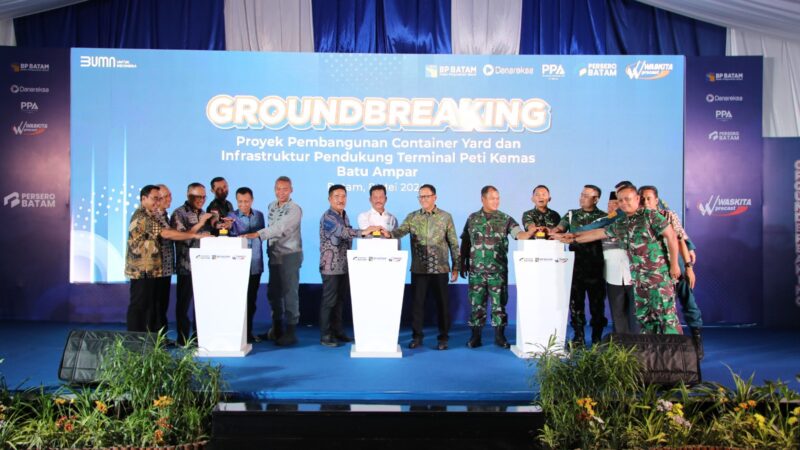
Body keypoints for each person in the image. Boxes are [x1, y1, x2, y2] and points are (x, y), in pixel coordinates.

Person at [559, 184, 682, 334]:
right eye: (620, 200)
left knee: (667, 319)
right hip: (638, 281)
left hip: (658, 279)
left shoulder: (651, 215)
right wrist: (572, 238)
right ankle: (651, 355)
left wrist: (674, 265)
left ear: (637, 198)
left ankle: (675, 356)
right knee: (646, 322)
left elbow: (672, 237)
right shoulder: (621, 223)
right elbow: (598, 233)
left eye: (627, 199)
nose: (624, 203)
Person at [460, 186, 533, 349]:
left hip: (497, 271)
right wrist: (462, 263)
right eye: (492, 198)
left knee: (499, 305)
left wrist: (528, 234)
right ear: (483, 199)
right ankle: (475, 336)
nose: (496, 201)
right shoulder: (472, 218)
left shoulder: (505, 218)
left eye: (498, 198)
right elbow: (466, 241)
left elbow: (518, 234)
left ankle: (500, 337)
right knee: (476, 304)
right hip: (476, 271)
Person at [125, 185, 203, 333]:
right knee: (139, 306)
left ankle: (153, 341)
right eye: (156, 198)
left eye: (159, 198)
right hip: (142, 271)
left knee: (154, 307)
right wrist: (195, 235)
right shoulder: (142, 216)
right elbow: (166, 234)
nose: (158, 201)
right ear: (143, 199)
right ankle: (134, 342)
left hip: (155, 270)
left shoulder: (155, 215)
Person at [390, 184, 459, 350]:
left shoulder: (445, 217)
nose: (423, 199)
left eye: (426, 196)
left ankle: (443, 338)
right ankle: (417, 337)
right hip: (419, 268)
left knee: (442, 305)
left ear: (435, 197)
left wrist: (456, 266)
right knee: (417, 305)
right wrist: (387, 234)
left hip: (440, 268)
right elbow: (400, 231)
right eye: (420, 196)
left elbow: (454, 243)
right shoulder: (413, 217)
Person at [639, 185, 702, 356]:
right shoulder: (636, 218)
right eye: (642, 198)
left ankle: (697, 342)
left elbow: (680, 240)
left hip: (676, 267)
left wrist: (688, 268)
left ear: (656, 200)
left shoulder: (668, 215)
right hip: (655, 272)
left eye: (649, 198)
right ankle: (664, 349)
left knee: (688, 303)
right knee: (660, 310)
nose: (645, 201)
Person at [318, 184, 383, 347]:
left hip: (345, 265)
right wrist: (366, 231)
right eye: (337, 196)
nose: (341, 200)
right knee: (329, 301)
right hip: (330, 267)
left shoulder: (344, 215)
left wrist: (375, 235)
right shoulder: (328, 217)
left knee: (340, 300)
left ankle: (338, 331)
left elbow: (349, 235)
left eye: (343, 196)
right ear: (329, 199)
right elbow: (343, 233)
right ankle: (325, 335)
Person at [245, 176, 303, 346]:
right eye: (278, 188)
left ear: (291, 190)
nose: (281, 192)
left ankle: (291, 332)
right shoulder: (271, 206)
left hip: (290, 255)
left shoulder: (295, 209)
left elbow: (280, 228)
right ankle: (276, 329)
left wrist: (258, 234)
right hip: (274, 255)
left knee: (290, 294)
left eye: (285, 189)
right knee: (274, 294)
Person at [549, 185, 608, 346]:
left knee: (597, 306)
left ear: (596, 199)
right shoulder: (570, 215)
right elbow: (559, 229)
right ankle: (578, 337)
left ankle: (596, 338)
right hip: (575, 267)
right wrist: (551, 232)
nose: (582, 198)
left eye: (586, 196)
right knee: (576, 304)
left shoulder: (604, 217)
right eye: (581, 194)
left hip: (596, 268)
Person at [170, 183, 214, 346]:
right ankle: (182, 339)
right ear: (189, 196)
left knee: (201, 304)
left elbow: (204, 237)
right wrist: (201, 224)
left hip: (203, 265)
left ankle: (198, 337)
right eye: (197, 197)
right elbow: (183, 236)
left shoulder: (203, 213)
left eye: (203, 197)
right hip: (186, 265)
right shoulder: (179, 213)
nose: (201, 200)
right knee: (184, 304)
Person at [228, 187, 265, 344]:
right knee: (238, 301)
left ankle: (248, 332)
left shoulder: (259, 215)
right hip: (238, 266)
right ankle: (237, 334)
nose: (243, 204)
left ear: (252, 200)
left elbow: (262, 235)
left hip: (255, 264)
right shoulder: (231, 216)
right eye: (240, 201)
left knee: (251, 300)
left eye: (246, 201)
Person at [152, 184, 175, 334]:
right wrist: (194, 234)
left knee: (162, 305)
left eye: (169, 195)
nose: (169, 199)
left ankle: (162, 338)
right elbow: (167, 234)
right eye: (165, 196)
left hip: (165, 269)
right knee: (155, 305)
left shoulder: (166, 215)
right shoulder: (152, 215)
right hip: (155, 269)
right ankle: (155, 340)